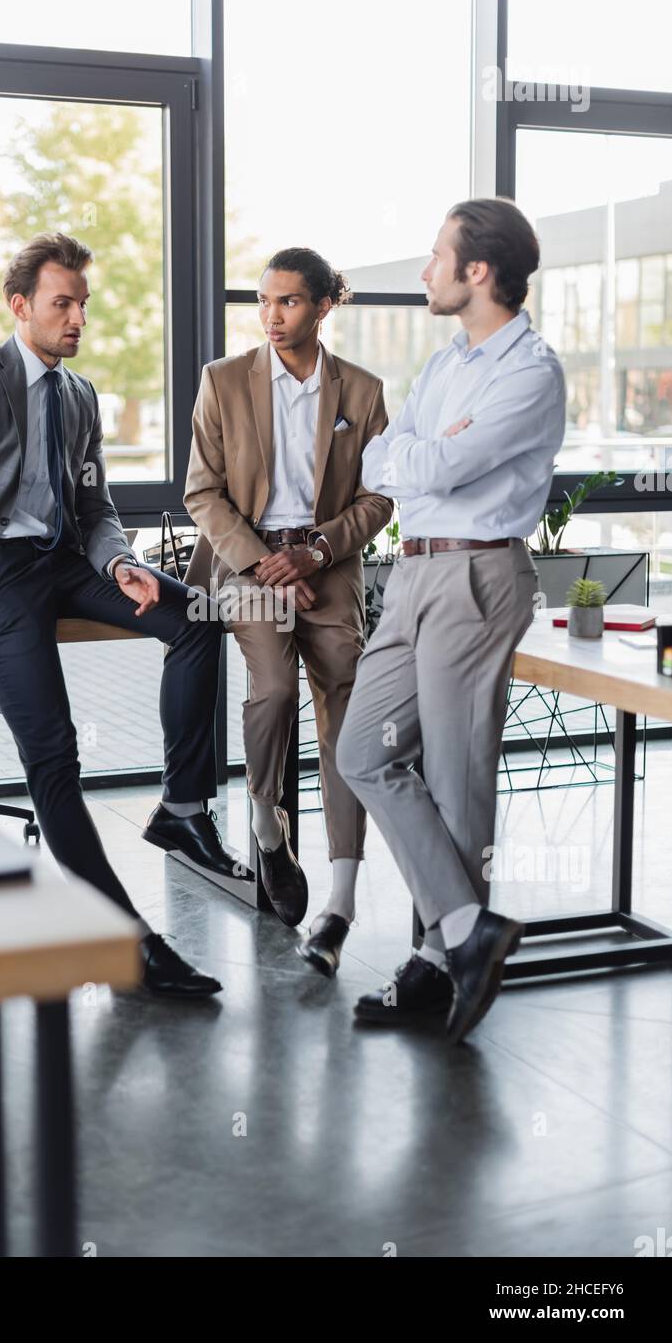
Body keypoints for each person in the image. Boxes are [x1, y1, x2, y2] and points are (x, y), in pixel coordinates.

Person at [0, 232, 244, 1000]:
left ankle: (180, 807)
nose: (76, 318)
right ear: (21, 307)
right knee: (55, 755)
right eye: (61, 303)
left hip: (67, 561)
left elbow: (96, 504)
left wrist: (119, 562)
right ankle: (126, 943)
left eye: (82, 305)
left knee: (197, 620)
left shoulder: (79, 396)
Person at [336, 198, 565, 1042]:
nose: (425, 272)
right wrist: (418, 458)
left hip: (476, 575)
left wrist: (420, 458)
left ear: (478, 272)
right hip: (414, 572)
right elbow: (384, 460)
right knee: (363, 751)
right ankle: (468, 933)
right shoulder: (443, 366)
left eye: (437, 257)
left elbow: (437, 461)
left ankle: (436, 965)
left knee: (455, 778)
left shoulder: (529, 371)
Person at [184, 247, 392, 972]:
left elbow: (379, 498)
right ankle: (268, 830)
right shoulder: (221, 381)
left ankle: (339, 898)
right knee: (271, 690)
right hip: (246, 563)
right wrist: (263, 564)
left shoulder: (362, 393)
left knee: (347, 723)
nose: (272, 316)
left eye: (290, 303)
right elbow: (202, 492)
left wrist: (314, 554)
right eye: (264, 301)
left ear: (324, 305)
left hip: (325, 570)